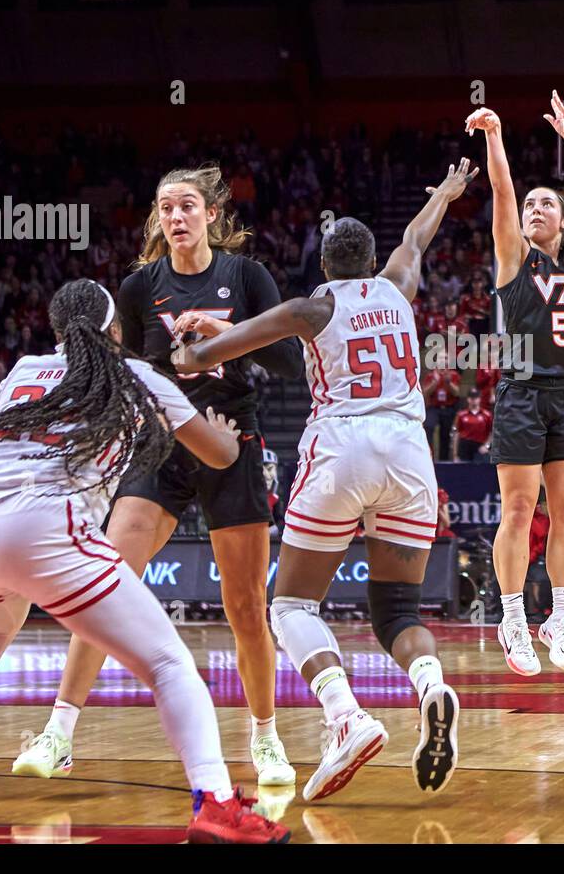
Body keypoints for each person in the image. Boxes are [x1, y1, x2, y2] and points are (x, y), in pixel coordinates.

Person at [0, 280, 288, 844]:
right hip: (41, 526)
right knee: (167, 663)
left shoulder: (24, 370)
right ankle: (215, 801)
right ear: (116, 330)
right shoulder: (137, 375)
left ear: (57, 330)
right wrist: (220, 435)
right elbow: (219, 455)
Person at [175, 160, 476, 799]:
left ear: (325, 266)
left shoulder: (311, 307)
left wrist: (189, 346)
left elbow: (221, 353)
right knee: (397, 609)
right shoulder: (397, 287)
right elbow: (416, 238)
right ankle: (429, 682)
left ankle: (345, 717)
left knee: (289, 605)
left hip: (342, 448)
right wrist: (446, 192)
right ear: (369, 261)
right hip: (407, 452)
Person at [14, 165, 305, 791]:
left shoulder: (246, 275)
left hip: (232, 444)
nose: (177, 217)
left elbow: (289, 359)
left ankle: (266, 737)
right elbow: (130, 371)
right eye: (167, 207)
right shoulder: (141, 286)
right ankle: (59, 733)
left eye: (188, 206)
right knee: (105, 583)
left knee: (246, 607)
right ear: (158, 218)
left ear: (210, 214)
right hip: (163, 447)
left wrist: (228, 334)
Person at [466, 93, 564, 676]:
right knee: (518, 510)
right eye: (530, 203)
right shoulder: (512, 259)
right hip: (521, 394)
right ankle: (514, 617)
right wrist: (495, 135)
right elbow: (500, 192)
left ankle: (563, 618)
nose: (534, 208)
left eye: (547, 202)